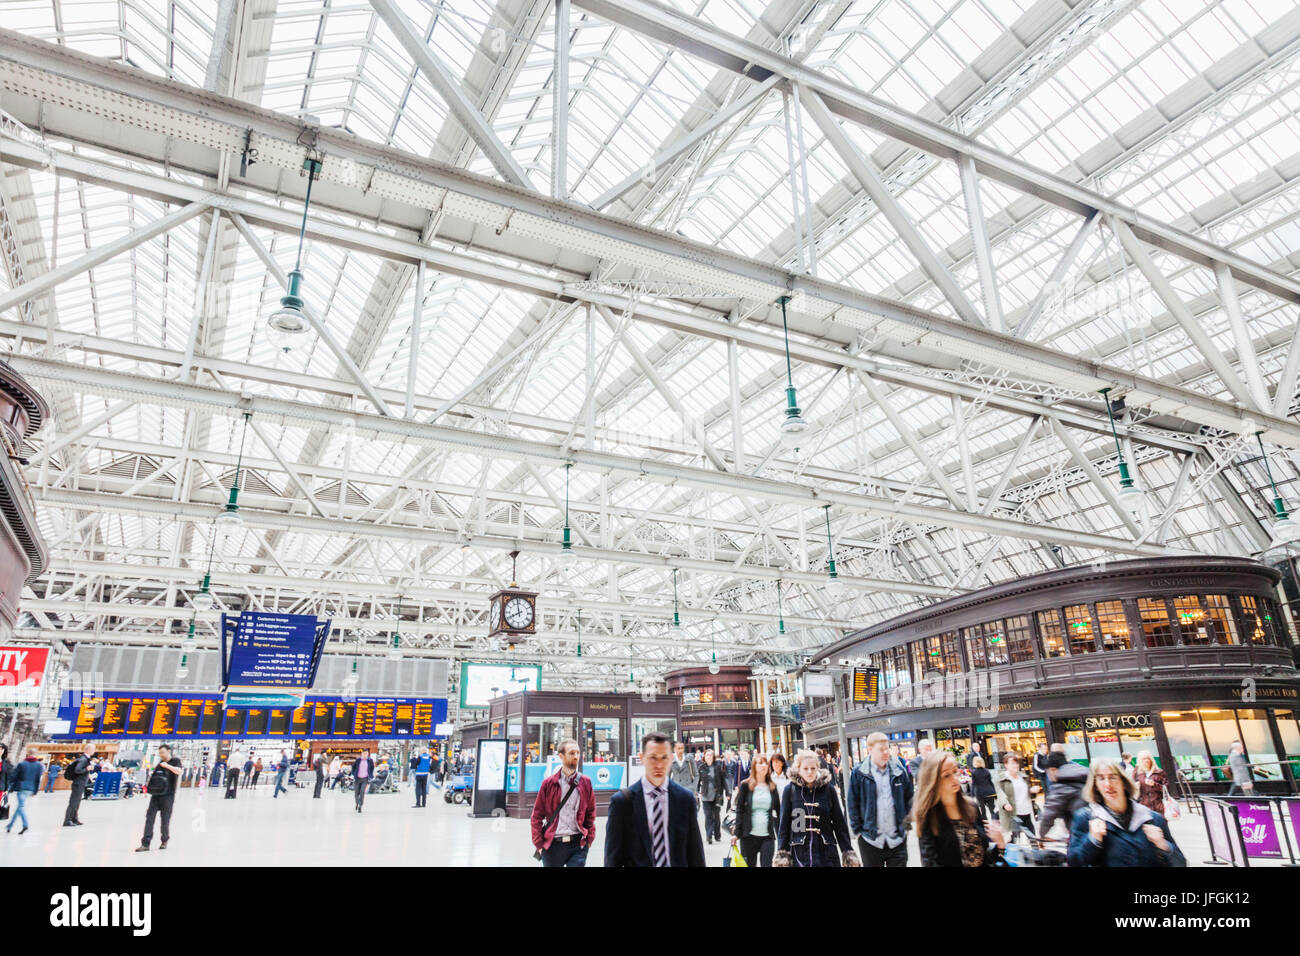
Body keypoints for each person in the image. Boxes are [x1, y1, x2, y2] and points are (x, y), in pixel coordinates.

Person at [604, 731, 705, 867]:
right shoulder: (622, 802)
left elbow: (695, 853)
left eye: (664, 758)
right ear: (642, 758)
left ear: (671, 758)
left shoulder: (685, 799)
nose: (659, 765)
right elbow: (612, 858)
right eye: (653, 758)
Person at [1067, 757, 1185, 867]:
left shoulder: (1153, 819)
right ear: (1095, 785)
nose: (1108, 784)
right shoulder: (1086, 818)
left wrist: (1163, 845)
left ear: (1123, 782)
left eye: (1113, 777)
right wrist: (1092, 840)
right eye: (1101, 778)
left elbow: (1180, 863)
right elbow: (1074, 861)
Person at [913, 752, 1006, 867]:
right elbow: (930, 862)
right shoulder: (929, 816)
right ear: (934, 780)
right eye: (946, 775)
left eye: (955, 771)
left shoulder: (971, 807)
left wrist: (1000, 843)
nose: (954, 779)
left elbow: (984, 854)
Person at [774, 750, 859, 868]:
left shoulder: (828, 790)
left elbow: (839, 824)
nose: (809, 772)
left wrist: (848, 852)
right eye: (805, 768)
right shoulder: (790, 790)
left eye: (813, 768)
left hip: (827, 854)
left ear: (817, 768)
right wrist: (782, 854)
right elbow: (784, 825)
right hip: (799, 855)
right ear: (798, 769)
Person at [846, 731, 913, 868]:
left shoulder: (899, 771)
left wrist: (905, 825)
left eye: (887, 748)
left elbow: (909, 798)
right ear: (870, 750)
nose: (886, 752)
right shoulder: (859, 773)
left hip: (897, 839)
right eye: (881, 749)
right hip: (870, 840)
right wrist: (858, 831)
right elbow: (852, 802)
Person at [530, 739, 596, 867]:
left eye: (578, 753)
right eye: (571, 753)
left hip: (578, 844)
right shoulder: (549, 784)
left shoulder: (585, 782)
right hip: (553, 845)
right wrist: (539, 844)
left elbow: (590, 814)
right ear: (561, 756)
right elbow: (537, 816)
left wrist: (589, 840)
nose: (576, 756)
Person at [731, 752, 779, 867]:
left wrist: (783, 834)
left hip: (767, 837)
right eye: (759, 764)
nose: (763, 766)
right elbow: (740, 810)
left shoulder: (772, 787)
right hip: (748, 836)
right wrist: (736, 833)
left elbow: (779, 811)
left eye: (765, 764)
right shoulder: (745, 786)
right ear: (754, 767)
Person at [135, 744, 182, 851]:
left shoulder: (175, 761)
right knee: (149, 818)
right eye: (160, 753)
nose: (161, 755)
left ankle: (164, 840)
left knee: (165, 820)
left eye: (163, 752)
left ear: (169, 751)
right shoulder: (159, 764)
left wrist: (167, 766)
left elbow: (179, 771)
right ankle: (146, 843)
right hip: (156, 796)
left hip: (168, 796)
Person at [1038, 752, 1088, 838]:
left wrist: (1041, 836)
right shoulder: (1083, 773)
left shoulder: (1060, 785)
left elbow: (1049, 814)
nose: (1048, 775)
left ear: (1053, 769)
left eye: (1047, 771)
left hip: (1081, 831)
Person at [696, 748, 730, 844]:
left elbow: (724, 780)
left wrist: (728, 793)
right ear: (704, 757)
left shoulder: (718, 767)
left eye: (711, 755)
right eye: (707, 755)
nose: (709, 757)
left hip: (717, 795)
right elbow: (698, 781)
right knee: (708, 816)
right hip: (706, 796)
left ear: (713, 757)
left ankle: (717, 834)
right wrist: (696, 791)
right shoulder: (701, 768)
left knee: (716, 816)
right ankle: (709, 836)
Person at [997, 754, 1035, 838]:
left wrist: (1032, 790)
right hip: (1014, 814)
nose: (1016, 765)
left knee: (1033, 838)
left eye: (1016, 763)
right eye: (1012, 763)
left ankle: (1035, 851)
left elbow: (1027, 792)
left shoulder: (1023, 777)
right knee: (1015, 840)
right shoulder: (1002, 779)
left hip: (1026, 811)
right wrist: (1005, 804)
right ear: (1006, 765)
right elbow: (1000, 793)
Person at [6, 747, 42, 835]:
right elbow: (38, 779)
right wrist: (36, 790)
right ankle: (10, 825)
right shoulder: (39, 765)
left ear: (28, 754)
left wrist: (10, 787)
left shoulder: (22, 764)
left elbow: (14, 776)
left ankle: (25, 824)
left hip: (21, 787)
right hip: (31, 788)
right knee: (19, 807)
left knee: (21, 807)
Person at [62, 742, 95, 827]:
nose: (94, 751)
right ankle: (68, 820)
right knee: (74, 802)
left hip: (80, 783)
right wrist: (87, 769)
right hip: (78, 783)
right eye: (93, 749)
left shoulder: (85, 759)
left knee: (77, 802)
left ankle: (74, 819)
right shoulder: (84, 759)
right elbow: (78, 770)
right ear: (89, 750)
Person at [1134, 751, 1166, 816]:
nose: (1147, 760)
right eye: (1144, 759)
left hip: (1158, 806)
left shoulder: (1159, 772)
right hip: (1143, 807)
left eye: (1148, 758)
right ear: (1139, 761)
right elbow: (1131, 790)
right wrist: (1135, 787)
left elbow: (1166, 788)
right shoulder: (1137, 773)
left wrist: (1154, 785)